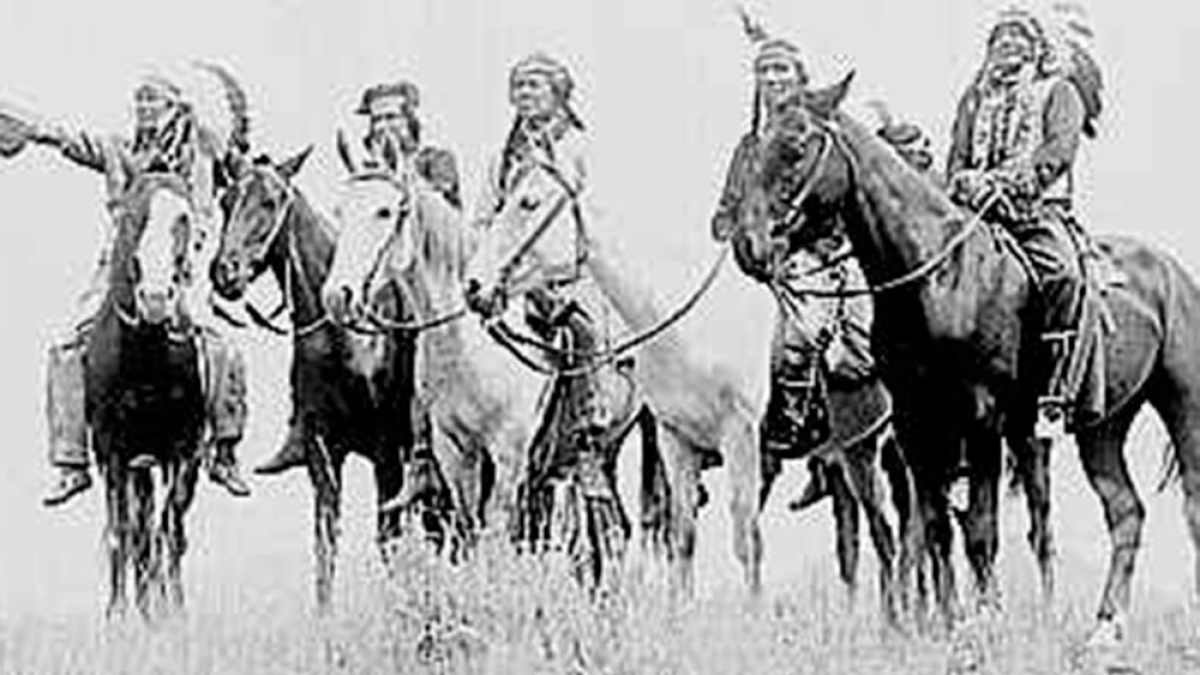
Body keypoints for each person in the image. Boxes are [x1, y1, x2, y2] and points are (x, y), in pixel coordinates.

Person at [13, 73, 252, 506]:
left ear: (173, 108)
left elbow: (223, 171)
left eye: (154, 102)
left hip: (180, 268)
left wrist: (204, 121)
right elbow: (73, 140)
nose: (145, 111)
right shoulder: (118, 149)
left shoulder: (197, 154)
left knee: (224, 346)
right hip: (119, 267)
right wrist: (35, 128)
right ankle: (71, 462)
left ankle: (225, 450)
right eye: (140, 102)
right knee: (65, 345)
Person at [467, 52, 629, 584]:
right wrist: (492, 270)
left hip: (570, 274)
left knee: (582, 330)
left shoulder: (579, 147)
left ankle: (587, 432)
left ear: (559, 92)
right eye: (518, 85)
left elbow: (597, 220)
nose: (525, 94)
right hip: (513, 280)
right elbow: (485, 220)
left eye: (534, 85)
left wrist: (556, 269)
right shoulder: (502, 156)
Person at [255, 79, 465, 478]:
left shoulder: (434, 160)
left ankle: (421, 447)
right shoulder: (361, 169)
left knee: (415, 338)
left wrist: (403, 185)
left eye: (393, 117)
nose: (385, 126)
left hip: (420, 272)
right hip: (374, 271)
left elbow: (444, 221)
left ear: (410, 120)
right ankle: (302, 424)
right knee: (313, 325)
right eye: (377, 119)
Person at [712, 13, 876, 470]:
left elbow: (837, 196)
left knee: (802, 335)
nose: (772, 79)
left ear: (800, 77)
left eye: (781, 69)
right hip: (755, 262)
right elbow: (729, 201)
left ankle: (793, 420)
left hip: (816, 255)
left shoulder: (816, 135)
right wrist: (726, 221)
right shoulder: (748, 146)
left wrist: (802, 238)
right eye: (764, 71)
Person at [945, 4, 1101, 436]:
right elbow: (956, 156)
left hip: (1035, 212)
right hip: (976, 215)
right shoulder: (975, 98)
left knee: (1063, 276)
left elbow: (1059, 151)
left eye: (1018, 36)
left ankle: (1055, 390)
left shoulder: (1057, 92)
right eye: (1000, 37)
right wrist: (965, 182)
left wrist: (1014, 185)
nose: (1007, 44)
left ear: (1036, 47)